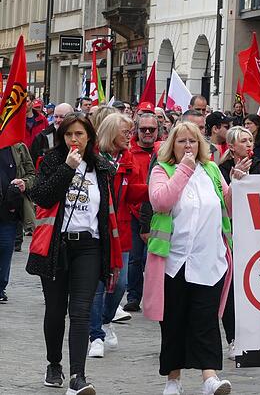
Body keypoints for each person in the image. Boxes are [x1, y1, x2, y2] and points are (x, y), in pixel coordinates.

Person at [144, 121, 249, 395]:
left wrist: (236, 183)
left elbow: (228, 205)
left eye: (193, 141)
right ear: (172, 145)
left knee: (205, 321)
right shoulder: (161, 170)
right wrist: (184, 169)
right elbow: (161, 201)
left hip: (210, 260)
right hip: (174, 262)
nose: (188, 146)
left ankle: (209, 378)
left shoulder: (212, 170)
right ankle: (173, 379)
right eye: (182, 141)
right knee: (174, 322)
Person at [27, 113, 123, 394]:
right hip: (56, 246)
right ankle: (54, 363)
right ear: (62, 137)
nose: (74, 139)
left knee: (80, 312)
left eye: (79, 134)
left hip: (89, 247)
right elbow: (42, 196)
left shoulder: (102, 168)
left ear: (90, 137)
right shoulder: (52, 162)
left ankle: (78, 376)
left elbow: (107, 212)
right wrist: (68, 168)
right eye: (69, 134)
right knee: (56, 311)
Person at [88, 113, 149, 358]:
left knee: (120, 283)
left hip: (120, 229)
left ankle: (105, 320)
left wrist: (155, 189)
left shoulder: (129, 158)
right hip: (94, 230)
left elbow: (133, 192)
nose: (130, 136)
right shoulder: (91, 156)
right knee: (97, 286)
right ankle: (95, 335)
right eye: (125, 131)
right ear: (112, 132)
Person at [217, 126, 260, 360]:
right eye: (243, 141)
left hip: (258, 234)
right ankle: (233, 338)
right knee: (231, 289)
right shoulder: (220, 170)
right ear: (231, 147)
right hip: (231, 234)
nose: (249, 144)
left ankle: (257, 336)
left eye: (251, 140)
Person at [124, 112, 161, 313]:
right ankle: (133, 295)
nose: (147, 132)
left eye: (151, 129)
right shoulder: (129, 150)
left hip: (157, 212)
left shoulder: (164, 150)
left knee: (153, 257)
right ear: (137, 130)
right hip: (133, 211)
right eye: (143, 129)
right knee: (134, 258)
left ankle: (151, 296)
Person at [0, 141, 35, 301]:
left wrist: (24, 183)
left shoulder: (18, 147)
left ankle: (1, 287)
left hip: (9, 211)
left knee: (6, 250)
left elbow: (32, 175)